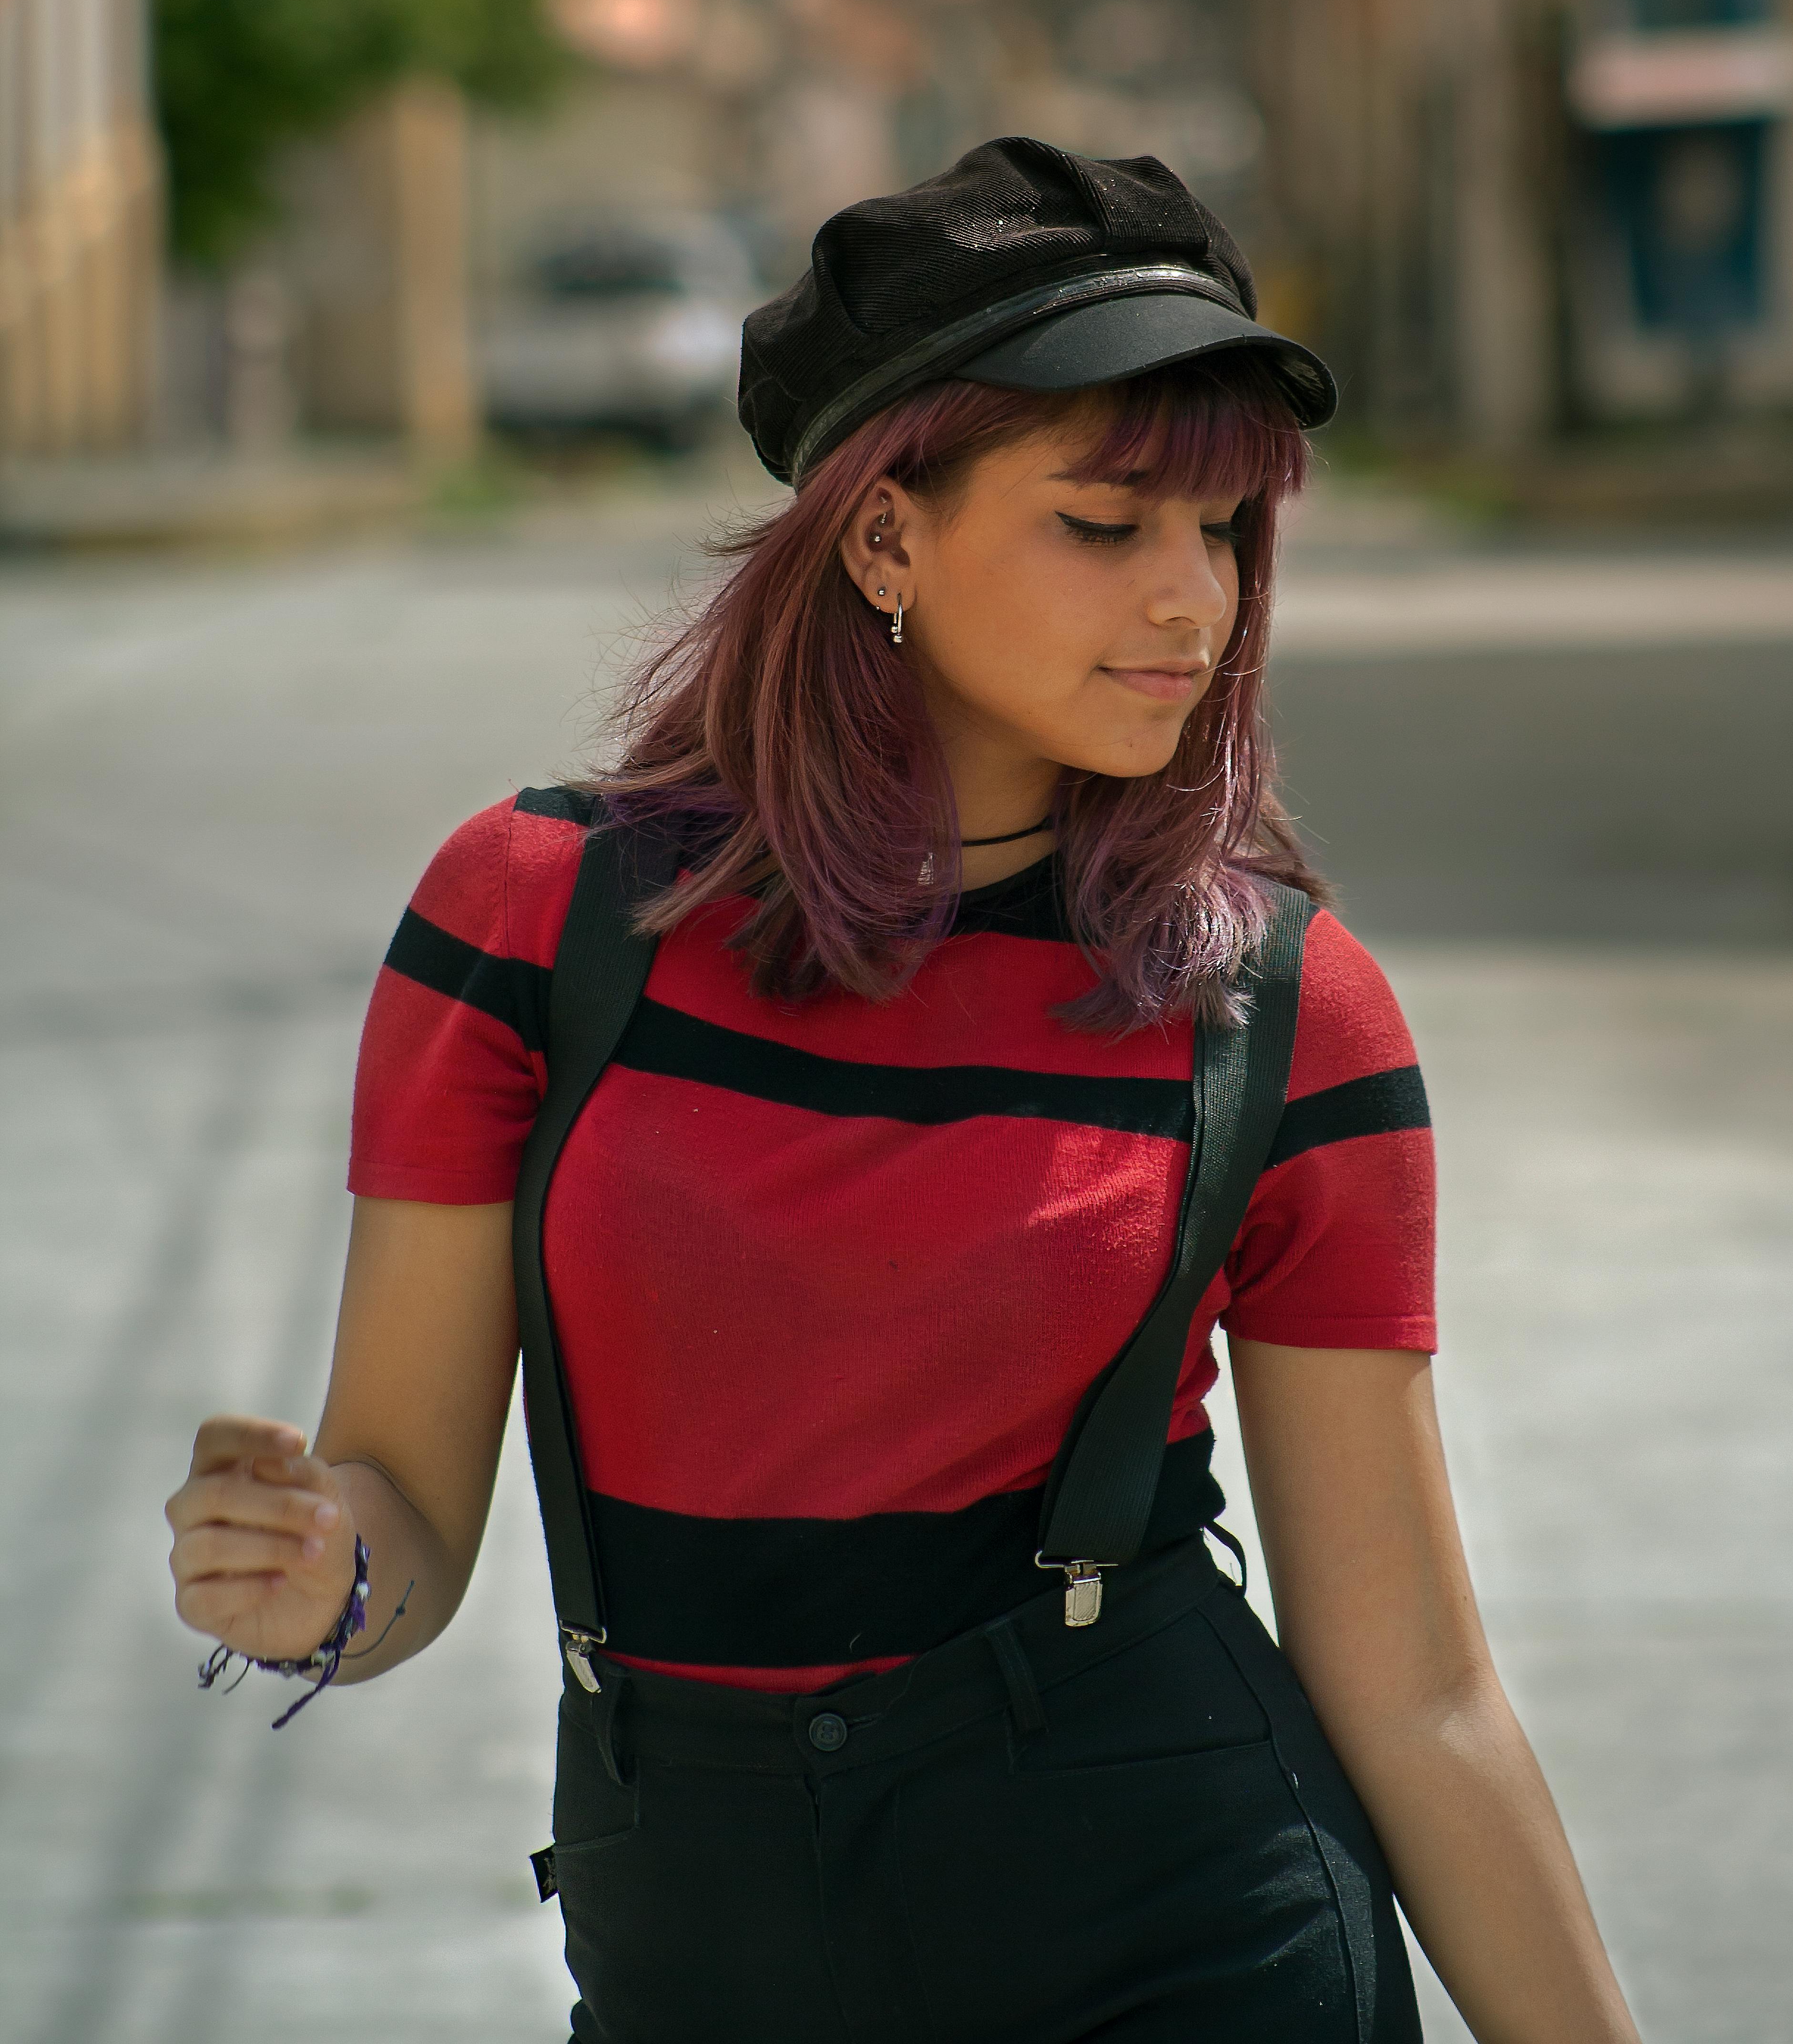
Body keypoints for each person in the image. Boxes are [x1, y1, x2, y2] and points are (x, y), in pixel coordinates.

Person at [166, 140, 1641, 2044]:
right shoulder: (535, 922)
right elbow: (404, 1508)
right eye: (1105, 525)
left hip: (1181, 1927)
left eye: (1224, 533)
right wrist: (318, 1578)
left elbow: (1417, 1685)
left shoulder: (1274, 1003)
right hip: (701, 1955)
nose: (1192, 602)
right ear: (883, 541)